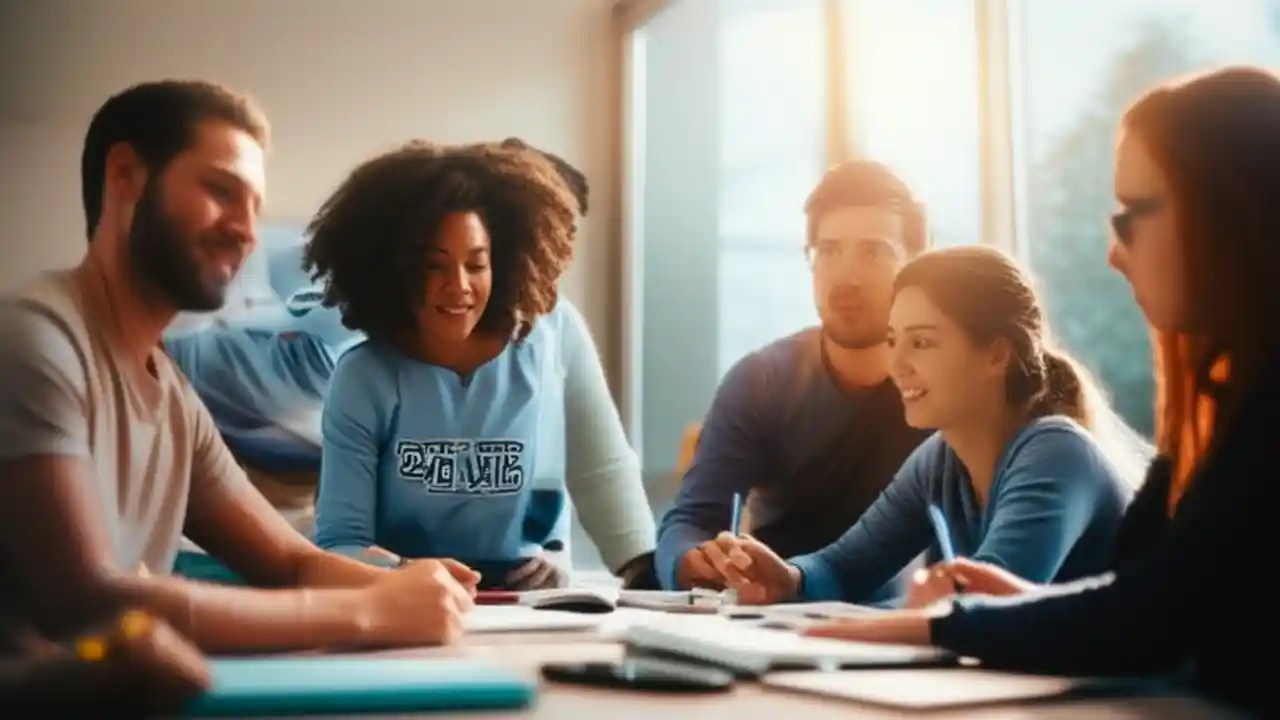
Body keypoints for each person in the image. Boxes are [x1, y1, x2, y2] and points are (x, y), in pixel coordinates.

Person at [793, 66, 1280, 716]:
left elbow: (1150, 619)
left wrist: (947, 623)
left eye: (1134, 215)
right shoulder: (1224, 409)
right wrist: (1018, 604)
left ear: (1228, 209)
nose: (1113, 251)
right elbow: (1148, 602)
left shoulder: (1245, 421)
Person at [0, 80, 476, 653]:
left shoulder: (173, 397)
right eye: (221, 192)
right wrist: (373, 610)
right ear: (124, 174)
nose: (246, 231)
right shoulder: (34, 341)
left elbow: (291, 562)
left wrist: (411, 588)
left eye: (254, 207)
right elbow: (86, 601)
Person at [700, 246, 1146, 606]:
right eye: (894, 340)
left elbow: (977, 605)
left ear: (996, 353)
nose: (897, 364)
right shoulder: (941, 458)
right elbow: (845, 567)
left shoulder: (1056, 452)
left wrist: (887, 616)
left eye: (922, 342)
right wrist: (790, 579)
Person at [306, 140, 656, 590]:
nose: (458, 287)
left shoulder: (550, 332)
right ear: (392, 268)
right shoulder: (363, 377)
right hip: (404, 602)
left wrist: (646, 571)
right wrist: (405, 573)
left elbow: (600, 466)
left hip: (530, 608)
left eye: (476, 264)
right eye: (433, 267)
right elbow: (339, 541)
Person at [655, 160, 933, 592]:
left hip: (909, 623)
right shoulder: (764, 380)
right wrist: (690, 562)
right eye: (829, 250)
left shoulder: (947, 384)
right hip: (773, 616)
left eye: (873, 251)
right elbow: (693, 519)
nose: (846, 275)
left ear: (916, 263)